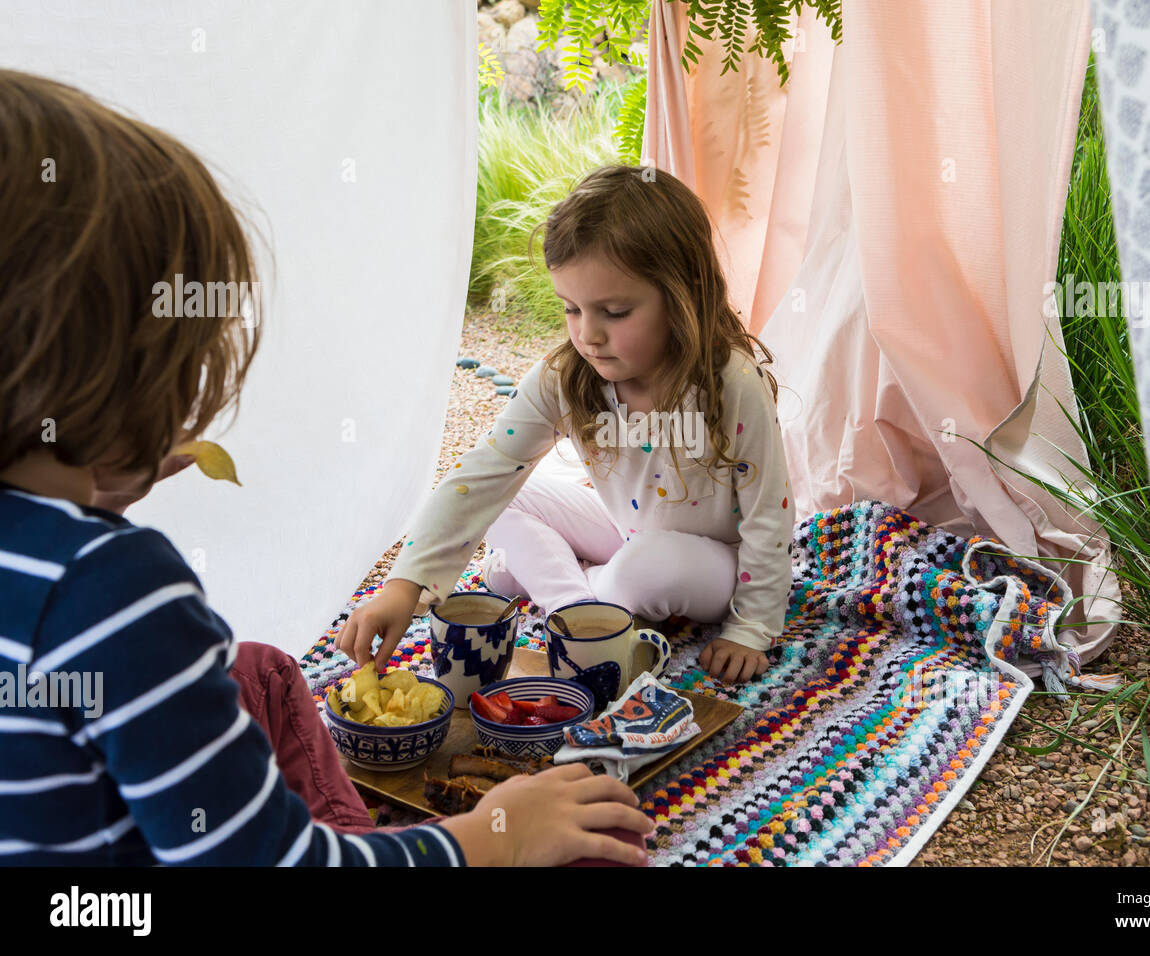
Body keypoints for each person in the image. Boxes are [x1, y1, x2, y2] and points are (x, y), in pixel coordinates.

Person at [0, 68, 651, 866]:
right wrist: (488, 838)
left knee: (262, 672)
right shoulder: (113, 591)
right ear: (125, 371)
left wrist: (106, 480)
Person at [337, 165, 795, 685]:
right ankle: (577, 608)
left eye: (615, 311)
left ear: (683, 291)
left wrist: (752, 626)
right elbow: (484, 473)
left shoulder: (731, 381)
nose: (588, 335)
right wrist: (405, 583)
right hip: (627, 531)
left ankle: (578, 589)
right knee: (504, 499)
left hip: (713, 565)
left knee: (642, 567)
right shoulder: (567, 376)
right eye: (572, 308)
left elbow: (768, 513)